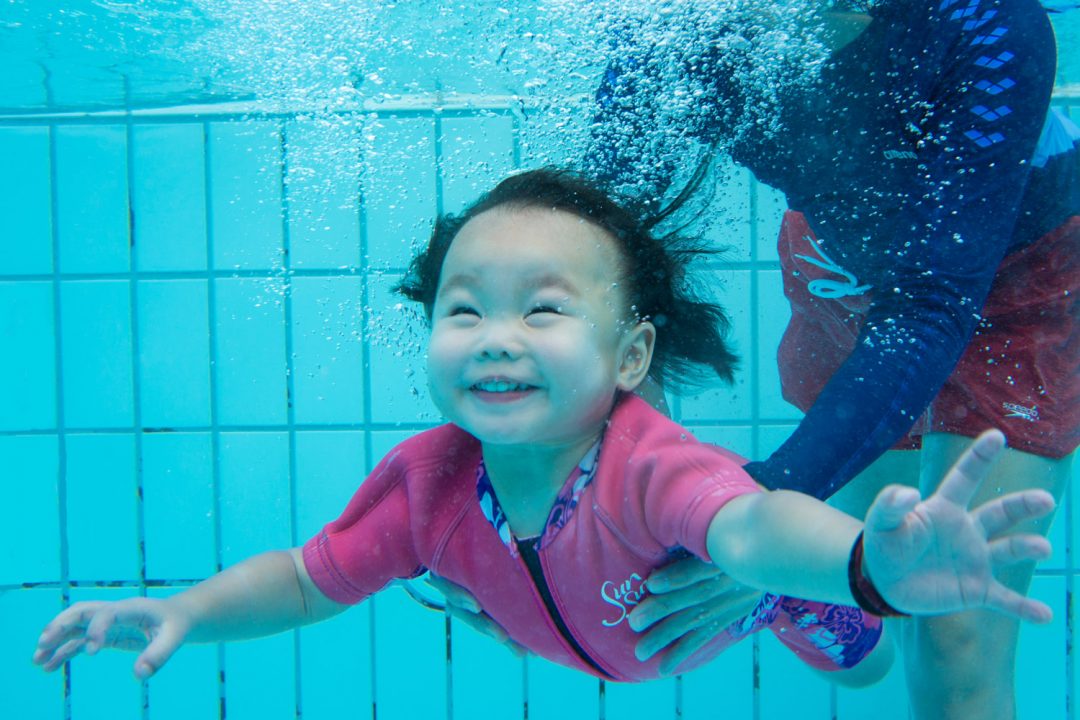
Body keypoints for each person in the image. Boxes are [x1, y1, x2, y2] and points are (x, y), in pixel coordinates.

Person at [32, 168, 1055, 687]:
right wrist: (192, 611)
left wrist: (865, 571)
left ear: (630, 359)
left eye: (544, 309)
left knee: (842, 645)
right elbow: (308, 578)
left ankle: (836, 626)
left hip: (717, 602)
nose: (496, 339)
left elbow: (751, 530)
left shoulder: (648, 465)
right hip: (585, 633)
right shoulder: (425, 483)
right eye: (464, 309)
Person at [581, 0, 1079, 716]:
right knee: (869, 588)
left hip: (1018, 278)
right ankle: (786, 593)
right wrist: (525, 498)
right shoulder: (680, 28)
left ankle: (777, 582)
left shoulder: (985, 21)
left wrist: (760, 509)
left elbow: (932, 304)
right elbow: (599, 253)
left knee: (956, 639)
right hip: (840, 271)